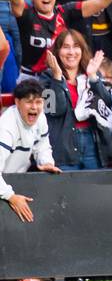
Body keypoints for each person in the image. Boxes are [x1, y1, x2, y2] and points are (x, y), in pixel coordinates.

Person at [37, 28, 112, 170]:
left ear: (82, 50)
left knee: (94, 189)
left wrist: (93, 77)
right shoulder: (47, 77)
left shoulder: (91, 73)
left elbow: (107, 104)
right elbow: (53, 110)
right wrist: (57, 78)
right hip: (62, 147)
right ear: (58, 52)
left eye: (76, 46)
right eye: (66, 47)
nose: (71, 52)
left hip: (93, 144)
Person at [0, 78, 59, 223]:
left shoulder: (41, 118)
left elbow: (43, 145)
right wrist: (11, 197)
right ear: (17, 102)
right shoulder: (5, 128)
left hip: (15, 182)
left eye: (38, 102)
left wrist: (46, 162)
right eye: (29, 101)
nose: (34, 107)